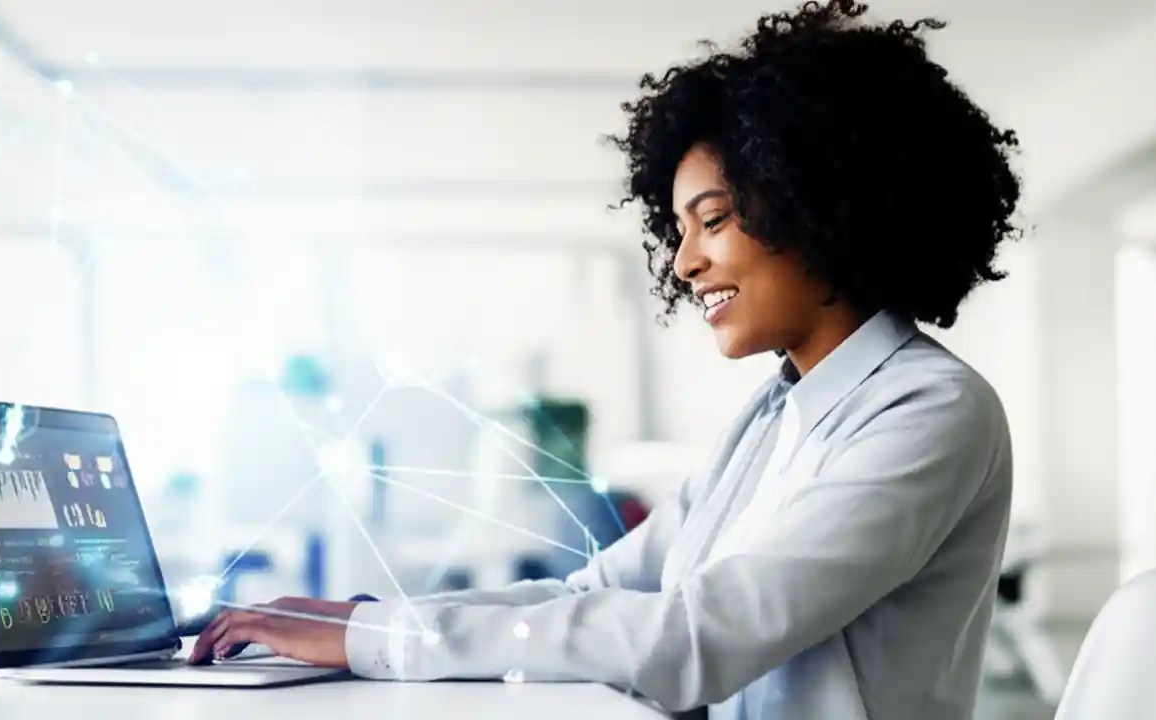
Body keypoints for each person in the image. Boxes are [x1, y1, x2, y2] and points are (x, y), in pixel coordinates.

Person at [190, 1, 1020, 718]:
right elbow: (596, 593)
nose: (684, 263)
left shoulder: (929, 410)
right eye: (680, 231)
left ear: (823, 204)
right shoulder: (776, 417)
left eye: (714, 219)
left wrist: (381, 640)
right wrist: (366, 619)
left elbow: (701, 636)